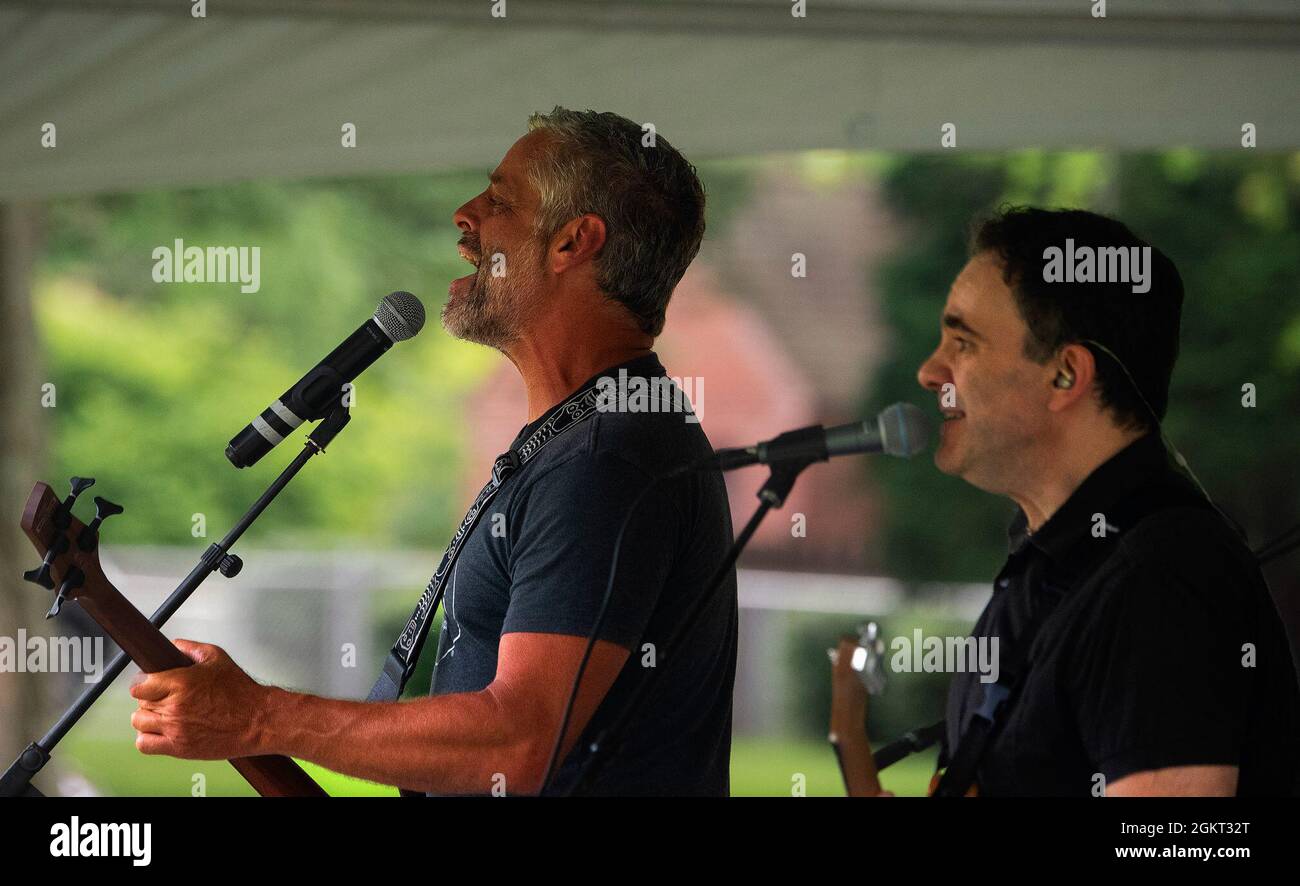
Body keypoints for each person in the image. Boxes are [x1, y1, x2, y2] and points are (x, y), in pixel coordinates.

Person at [130, 107, 737, 797]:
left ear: (573, 243)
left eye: (500, 201)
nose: (464, 216)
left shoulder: (606, 459)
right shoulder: (591, 434)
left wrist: (260, 716)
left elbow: (518, 739)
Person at [916, 206, 1300, 796]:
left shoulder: (1164, 579)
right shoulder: (1043, 574)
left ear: (1067, 374)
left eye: (963, 342)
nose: (929, 371)